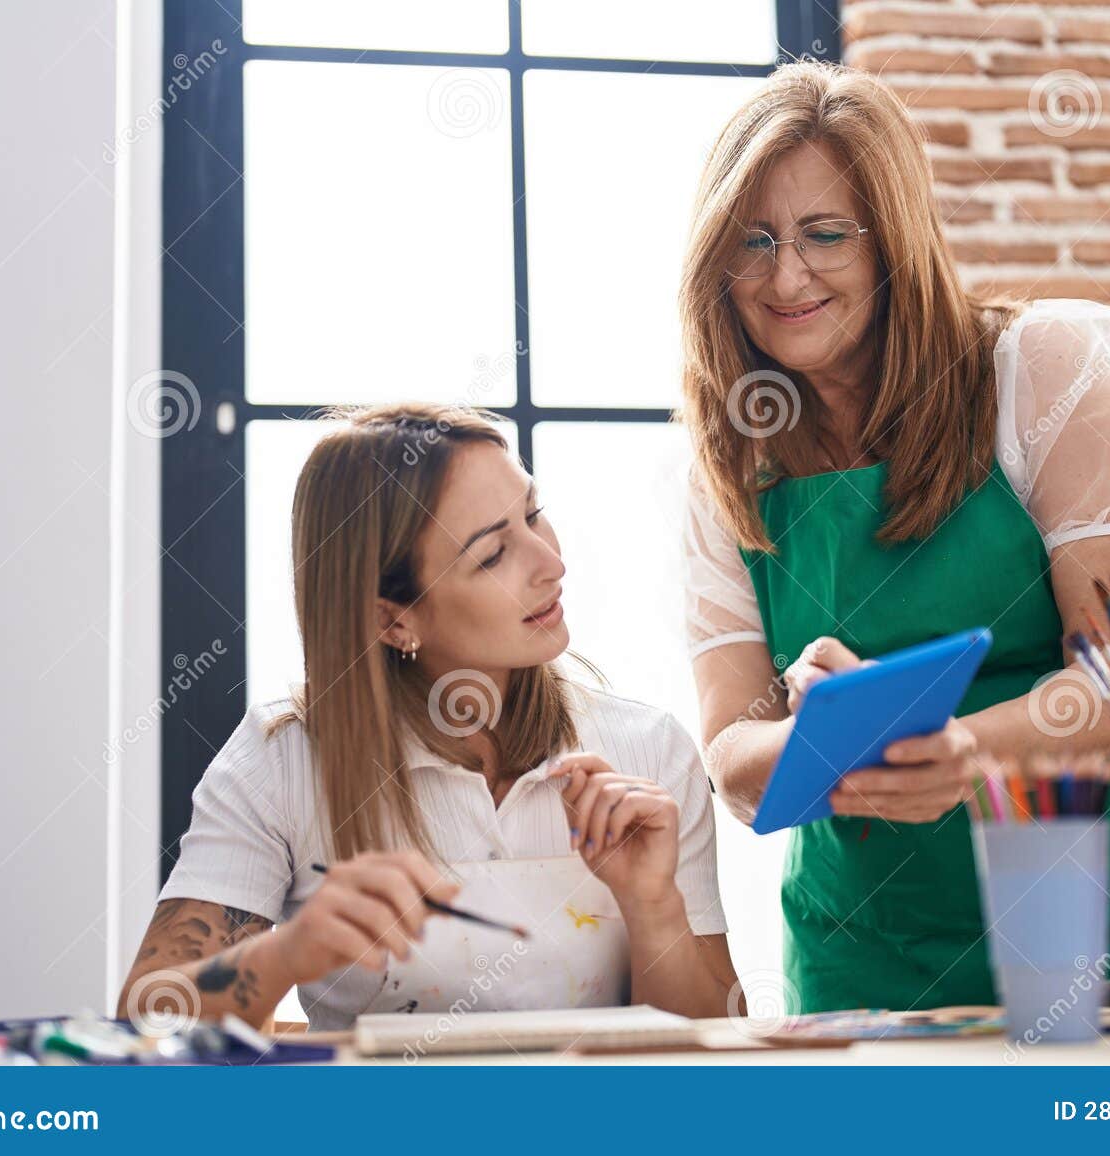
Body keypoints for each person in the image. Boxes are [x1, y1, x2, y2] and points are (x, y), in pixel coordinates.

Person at [678, 62, 1110, 1013]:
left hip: (1086, 933)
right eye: (753, 242)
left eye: (825, 235)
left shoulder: (1040, 372)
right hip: (857, 959)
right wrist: (816, 730)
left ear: (894, 242)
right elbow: (731, 757)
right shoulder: (729, 461)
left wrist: (964, 752)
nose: (786, 276)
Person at [119, 404, 737, 1031]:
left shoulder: (651, 750)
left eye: (533, 514)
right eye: (493, 554)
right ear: (395, 619)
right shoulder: (280, 761)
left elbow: (719, 1058)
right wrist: (286, 953)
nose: (551, 563)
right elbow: (149, 1021)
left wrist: (654, 907)